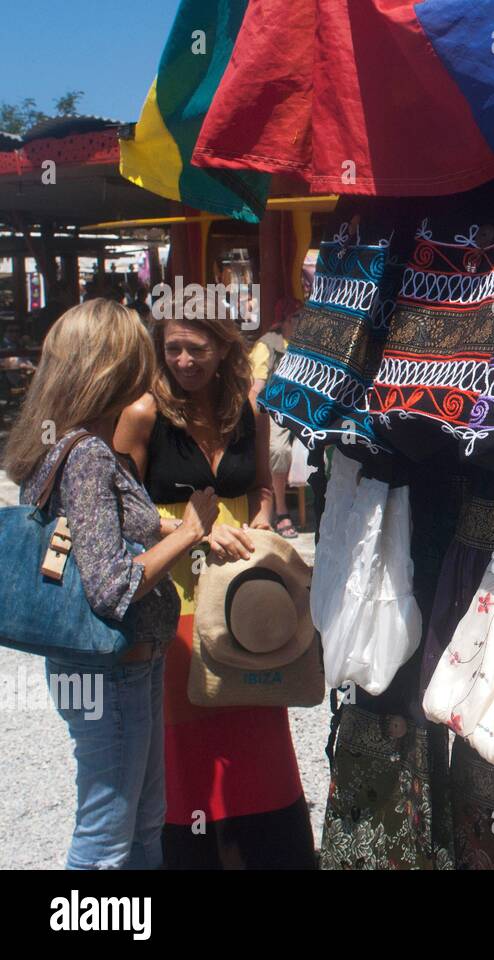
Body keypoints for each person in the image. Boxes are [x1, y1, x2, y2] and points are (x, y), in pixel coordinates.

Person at [4, 299, 218, 869]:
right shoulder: (90, 456)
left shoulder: (64, 443)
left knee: (142, 823)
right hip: (111, 670)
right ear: (112, 368)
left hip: (116, 667)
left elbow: (109, 532)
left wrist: (178, 530)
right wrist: (190, 531)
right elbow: (111, 585)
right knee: (106, 838)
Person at [115, 312, 316, 869]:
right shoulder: (142, 414)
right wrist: (190, 529)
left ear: (224, 349)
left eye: (196, 349)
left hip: (243, 593)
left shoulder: (250, 411)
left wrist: (258, 522)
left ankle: (267, 854)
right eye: (173, 350)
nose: (184, 361)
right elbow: (118, 510)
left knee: (257, 728)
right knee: (189, 739)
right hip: (174, 598)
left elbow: (260, 489)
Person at [248, 299, 300, 538]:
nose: (303, 322)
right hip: (277, 407)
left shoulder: (307, 343)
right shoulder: (267, 346)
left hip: (302, 407)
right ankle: (281, 511)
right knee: (278, 450)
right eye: (297, 317)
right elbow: (256, 388)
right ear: (286, 320)